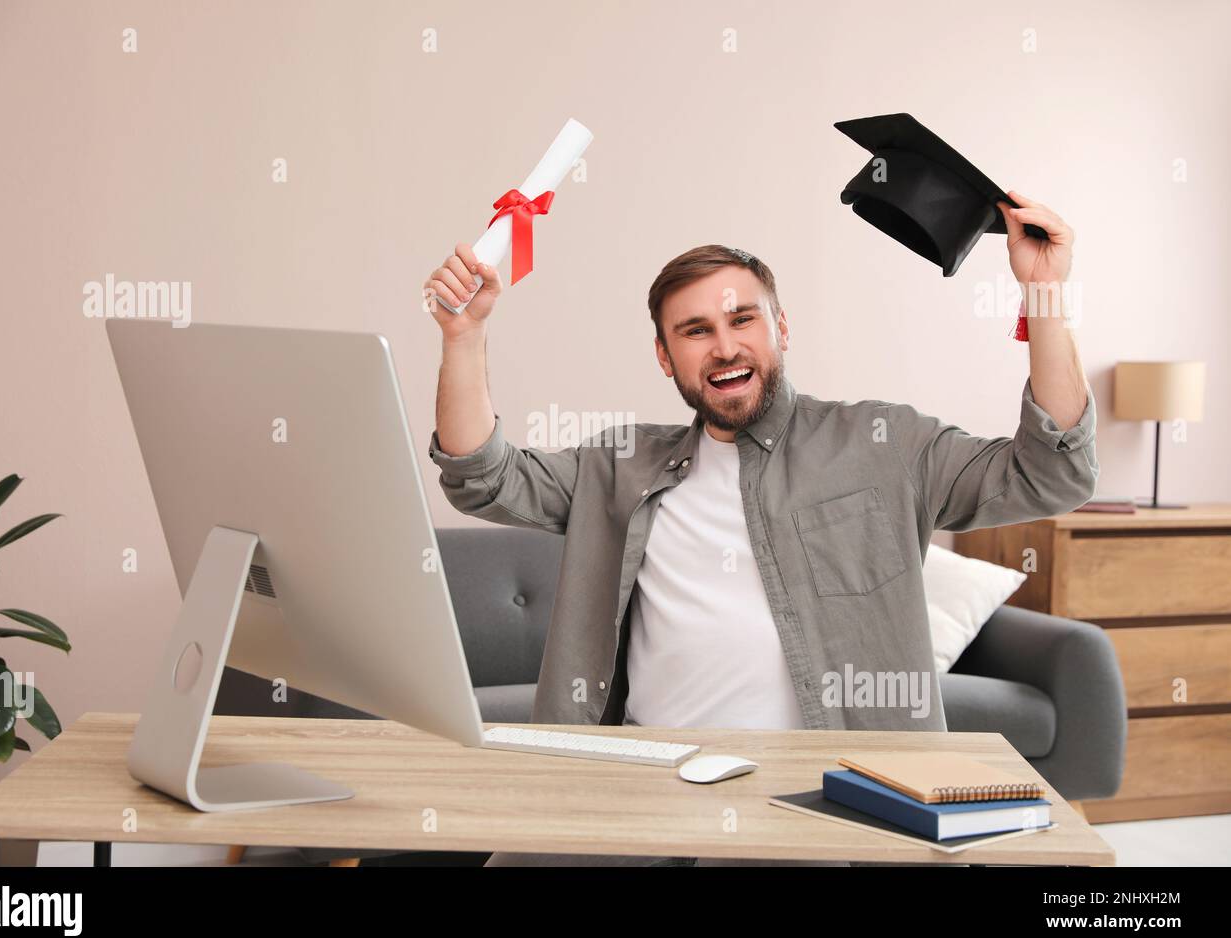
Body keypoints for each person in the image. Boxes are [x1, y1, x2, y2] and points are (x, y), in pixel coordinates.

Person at [423, 192, 1095, 866]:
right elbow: (482, 477)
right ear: (665, 356)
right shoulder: (618, 465)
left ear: (780, 327)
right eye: (694, 331)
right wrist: (465, 335)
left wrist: (1044, 294)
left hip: (812, 795)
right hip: (638, 782)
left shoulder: (882, 444)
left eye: (742, 319)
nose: (724, 346)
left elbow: (1051, 475)